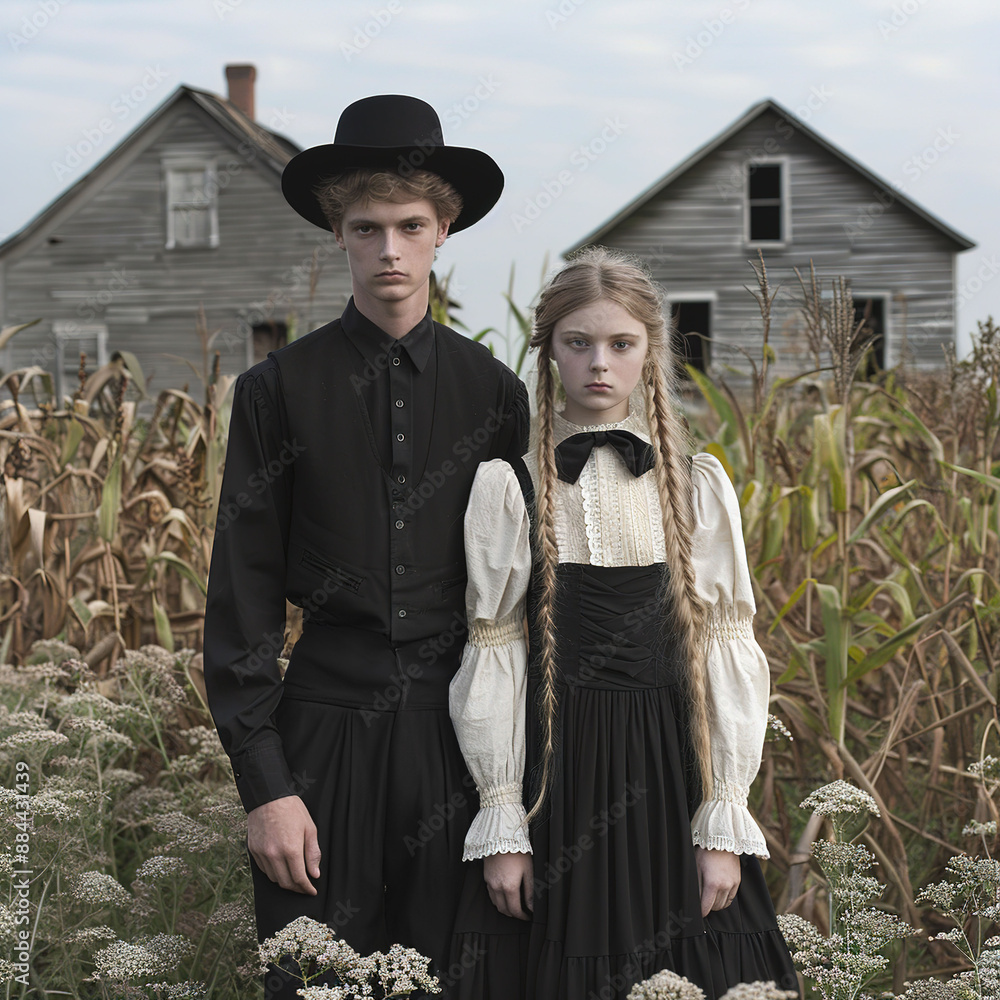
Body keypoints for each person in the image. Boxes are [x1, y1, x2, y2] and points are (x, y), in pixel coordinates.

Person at [203, 95, 531, 1000]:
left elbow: (522, 598)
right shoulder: (275, 390)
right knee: (312, 980)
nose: (390, 249)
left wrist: (514, 794)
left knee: (459, 984)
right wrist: (266, 788)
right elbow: (242, 594)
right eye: (367, 228)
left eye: (410, 226)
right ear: (337, 232)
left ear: (443, 231)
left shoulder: (496, 395)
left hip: (459, 737)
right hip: (319, 731)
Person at [449, 247, 799, 999]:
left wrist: (721, 819)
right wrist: (504, 817)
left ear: (650, 351)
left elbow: (725, 649)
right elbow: (495, 652)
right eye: (578, 343)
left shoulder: (695, 486)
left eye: (621, 343)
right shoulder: (509, 488)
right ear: (550, 351)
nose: (599, 364)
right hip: (558, 772)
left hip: (670, 771)